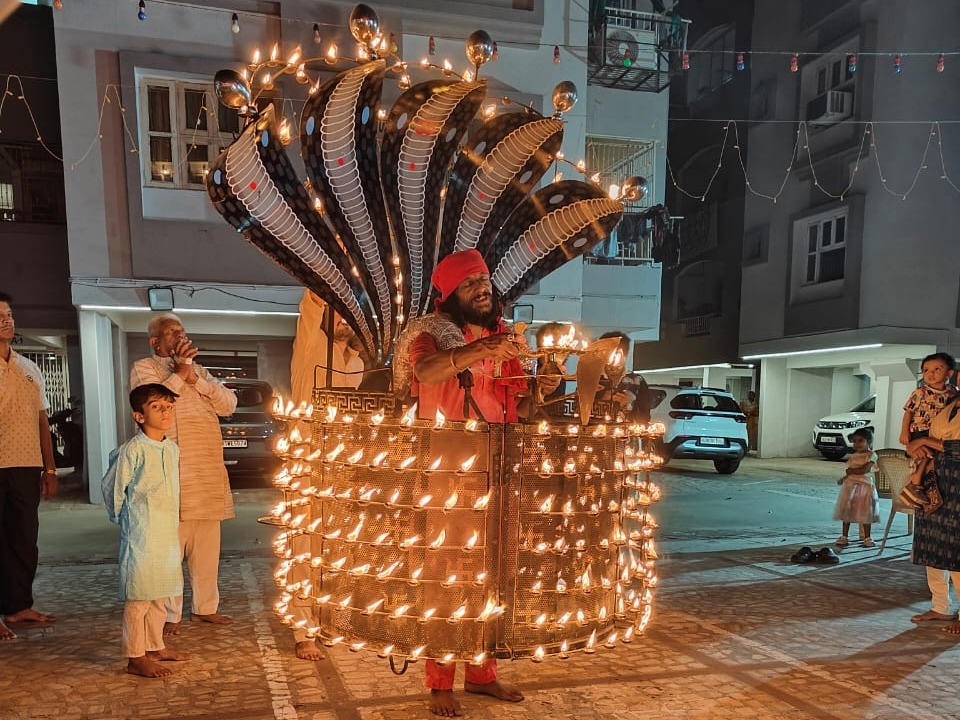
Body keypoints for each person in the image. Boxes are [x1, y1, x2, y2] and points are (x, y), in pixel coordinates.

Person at [401, 249, 559, 716]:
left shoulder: (506, 339)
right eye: (470, 284)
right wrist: (479, 351)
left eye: (485, 280)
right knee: (448, 579)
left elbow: (523, 409)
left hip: (503, 467)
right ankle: (440, 681)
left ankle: (483, 673)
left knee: (496, 575)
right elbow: (425, 371)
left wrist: (542, 389)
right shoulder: (430, 333)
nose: (482, 288)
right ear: (449, 295)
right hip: (449, 469)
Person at [130, 313, 238, 636]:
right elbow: (152, 402)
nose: (180, 335)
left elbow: (229, 404)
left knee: (207, 549)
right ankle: (169, 615)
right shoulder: (144, 368)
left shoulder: (198, 371)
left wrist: (195, 379)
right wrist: (179, 374)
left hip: (206, 473)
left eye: (182, 330)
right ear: (155, 342)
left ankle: (205, 608)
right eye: (172, 332)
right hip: (172, 475)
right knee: (170, 550)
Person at [102, 383, 190, 677]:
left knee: (159, 593)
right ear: (139, 416)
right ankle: (135, 656)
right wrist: (125, 519)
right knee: (139, 596)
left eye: (169, 406)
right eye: (157, 406)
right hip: (142, 533)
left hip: (166, 533)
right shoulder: (132, 450)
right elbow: (112, 487)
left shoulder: (171, 448)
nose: (166, 412)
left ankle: (155, 646)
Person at [0, 291, 58, 642]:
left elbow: (42, 422)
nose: (7, 319)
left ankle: (18, 605)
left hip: (25, 465)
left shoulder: (28, 368)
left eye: (8, 313)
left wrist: (49, 469)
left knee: (23, 540)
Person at [906, 395, 960, 631]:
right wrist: (921, 446)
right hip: (936, 483)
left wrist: (926, 441)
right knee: (933, 547)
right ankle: (941, 607)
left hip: (957, 486)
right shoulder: (948, 405)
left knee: (956, 551)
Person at [899, 353, 957, 506]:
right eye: (926, 370)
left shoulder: (953, 393)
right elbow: (908, 412)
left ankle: (915, 487)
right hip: (920, 431)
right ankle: (915, 484)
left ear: (949, 374)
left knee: (933, 457)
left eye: (937, 369)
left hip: (936, 433)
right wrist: (905, 432)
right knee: (926, 455)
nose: (930, 373)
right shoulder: (920, 393)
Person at [290, 289, 366, 404]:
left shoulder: (357, 363)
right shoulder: (311, 339)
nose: (343, 317)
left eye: (350, 313)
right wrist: (331, 283)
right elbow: (312, 304)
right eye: (337, 311)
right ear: (324, 318)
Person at [832, 428, 879, 547]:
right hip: (850, 486)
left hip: (865, 486)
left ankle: (867, 537)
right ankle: (844, 536)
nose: (857, 444)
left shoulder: (871, 455)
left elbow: (865, 469)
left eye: (860, 441)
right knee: (847, 510)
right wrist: (844, 478)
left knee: (865, 512)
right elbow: (848, 471)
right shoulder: (853, 456)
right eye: (854, 441)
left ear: (868, 441)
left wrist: (852, 471)